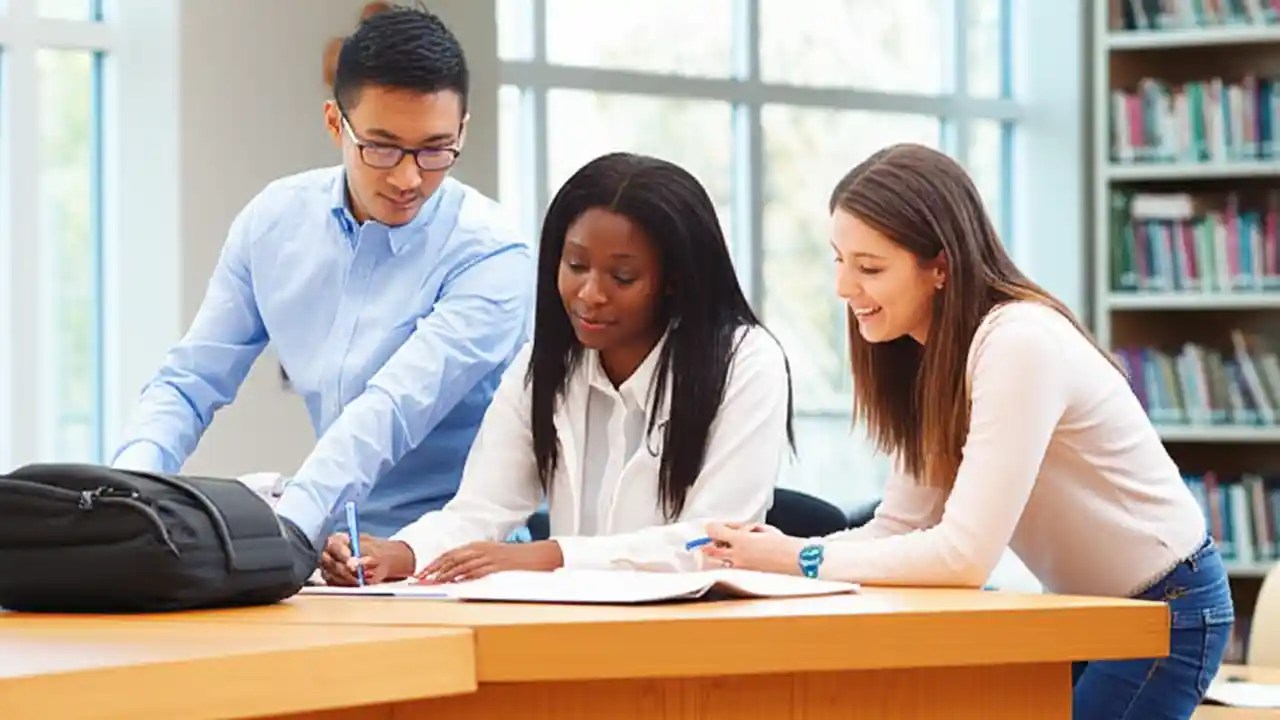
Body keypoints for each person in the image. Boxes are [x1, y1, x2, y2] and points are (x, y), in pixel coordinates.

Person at [700, 143, 1232, 719]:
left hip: (1167, 609)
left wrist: (797, 558)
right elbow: (901, 526)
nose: (843, 288)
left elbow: (962, 557)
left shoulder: (1018, 342)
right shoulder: (928, 358)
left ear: (940, 266)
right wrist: (768, 554)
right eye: (839, 260)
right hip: (1093, 613)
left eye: (869, 267)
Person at [111, 7, 533, 543]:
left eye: (434, 149)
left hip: (455, 560)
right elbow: (190, 381)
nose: (408, 177)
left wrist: (287, 533)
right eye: (381, 147)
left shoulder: (493, 254)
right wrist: (126, 496)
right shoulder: (274, 224)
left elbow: (392, 408)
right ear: (336, 122)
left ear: (462, 131)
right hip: (332, 549)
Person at [318, 152, 794, 585]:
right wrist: (398, 554)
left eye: (623, 277)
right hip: (571, 632)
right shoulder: (544, 363)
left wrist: (551, 556)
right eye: (575, 265)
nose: (590, 293)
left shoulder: (745, 363)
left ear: (674, 281)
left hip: (695, 641)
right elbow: (483, 507)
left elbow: (716, 542)